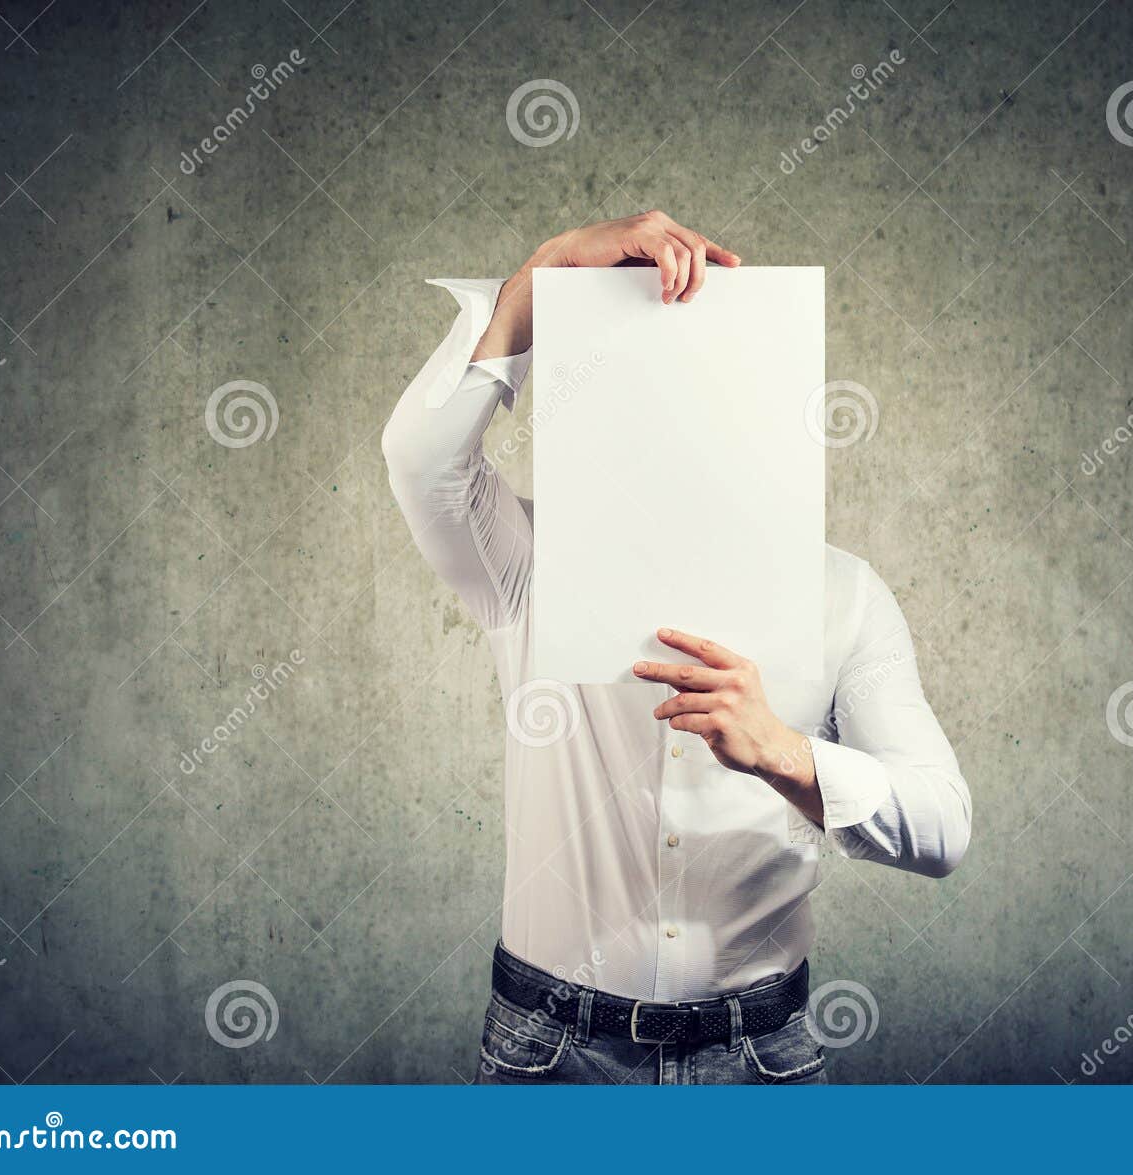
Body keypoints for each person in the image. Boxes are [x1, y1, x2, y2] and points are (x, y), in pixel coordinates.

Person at [381, 211, 972, 1084]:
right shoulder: (527, 562)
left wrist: (787, 755)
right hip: (550, 1052)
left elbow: (943, 827)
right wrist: (542, 277)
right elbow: (421, 456)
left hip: (757, 1058)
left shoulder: (845, 595)